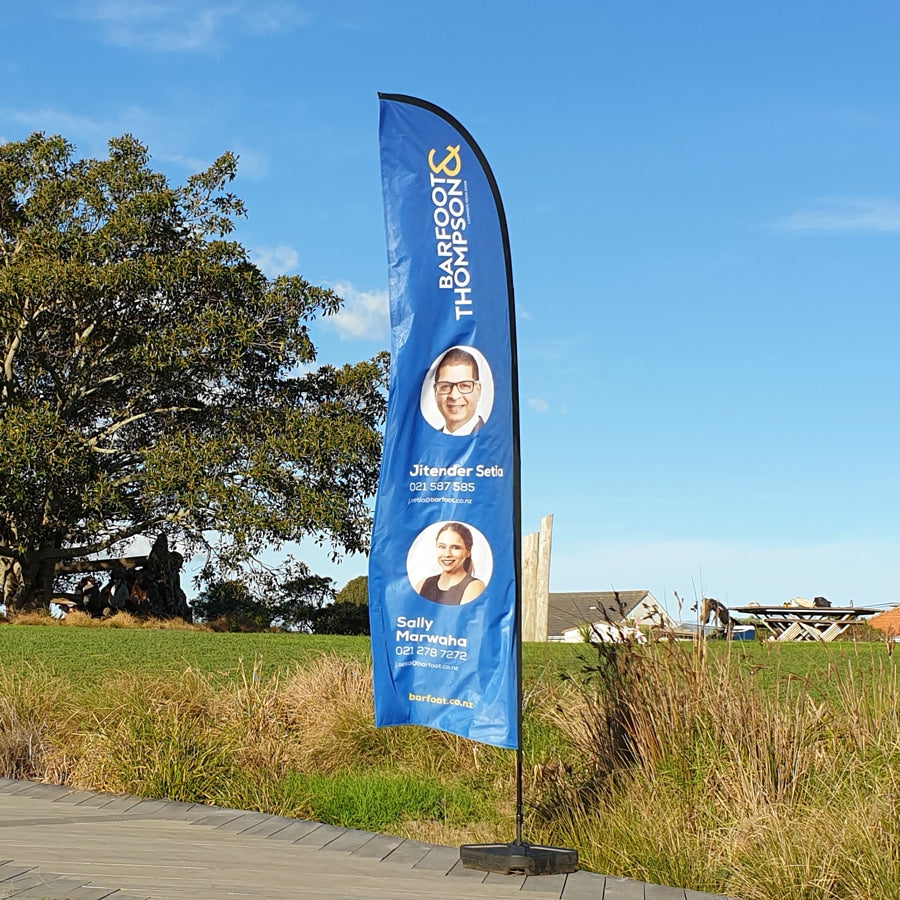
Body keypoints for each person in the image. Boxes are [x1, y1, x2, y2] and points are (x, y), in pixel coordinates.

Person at [414, 522, 485, 605]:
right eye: (442, 547)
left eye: (455, 548)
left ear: (467, 552)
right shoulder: (422, 585)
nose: (447, 554)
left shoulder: (474, 587)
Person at [432, 347, 484, 435]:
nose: (454, 396)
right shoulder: (426, 440)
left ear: (478, 391)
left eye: (464, 386)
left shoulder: (496, 438)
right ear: (435, 391)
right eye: (446, 386)